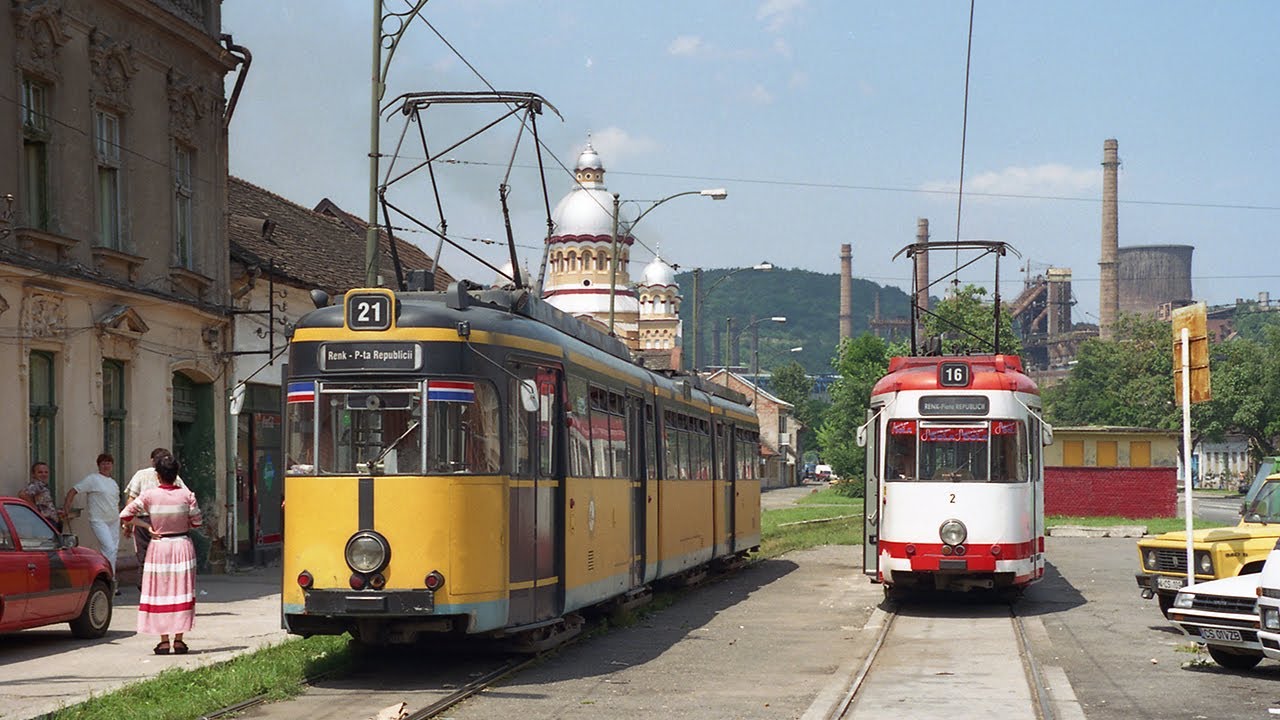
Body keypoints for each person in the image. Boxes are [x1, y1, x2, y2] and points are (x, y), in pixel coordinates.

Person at [119, 453, 201, 655]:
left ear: (157, 475)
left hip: (159, 545)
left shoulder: (149, 495)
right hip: (182, 545)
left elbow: (126, 514)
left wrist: (146, 526)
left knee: (161, 591)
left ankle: (163, 641)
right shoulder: (187, 496)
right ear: (176, 474)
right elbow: (197, 522)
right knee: (181, 590)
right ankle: (179, 640)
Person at [63, 453, 123, 592]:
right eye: (103, 463)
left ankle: (111, 581)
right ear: (99, 465)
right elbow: (73, 491)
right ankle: (108, 580)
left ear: (112, 465)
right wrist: (67, 506)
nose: (106, 465)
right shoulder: (93, 479)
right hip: (99, 520)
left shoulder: (113, 483)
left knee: (112, 551)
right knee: (109, 548)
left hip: (114, 520)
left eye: (108, 463)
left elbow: (115, 503)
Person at [123, 448, 186, 577]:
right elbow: (186, 497)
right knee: (165, 558)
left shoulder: (141, 475)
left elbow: (131, 500)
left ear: (152, 461)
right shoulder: (174, 477)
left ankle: (145, 587)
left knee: (144, 557)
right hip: (167, 520)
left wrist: (128, 525)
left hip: (143, 521)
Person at [19, 461, 61, 530]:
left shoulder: (42, 485)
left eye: (46, 472)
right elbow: (22, 494)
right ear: (33, 474)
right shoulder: (37, 485)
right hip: (44, 522)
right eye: (40, 472)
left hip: (49, 522)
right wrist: (35, 509)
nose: (44, 474)